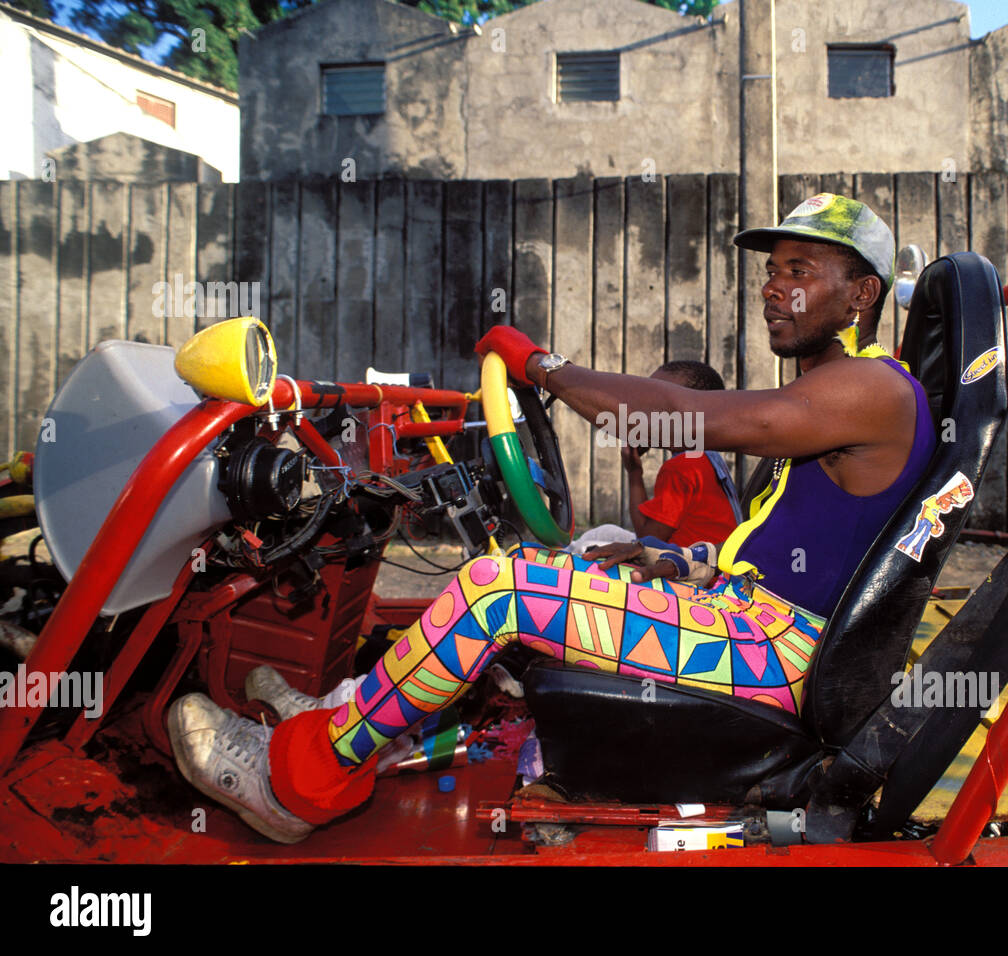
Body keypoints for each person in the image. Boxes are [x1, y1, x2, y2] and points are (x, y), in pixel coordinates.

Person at [167, 193, 939, 843]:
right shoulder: (835, 394)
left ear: (862, 295)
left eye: (799, 271)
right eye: (772, 271)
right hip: (750, 620)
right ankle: (348, 715)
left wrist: (543, 366)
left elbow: (686, 417)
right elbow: (810, 547)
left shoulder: (872, 388)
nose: (774, 288)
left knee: (494, 590)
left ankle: (297, 786)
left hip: (772, 655)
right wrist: (677, 563)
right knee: (565, 565)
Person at [567, 359, 742, 555]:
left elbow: (647, 539)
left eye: (658, 404)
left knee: (582, 550)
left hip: (687, 574)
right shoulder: (708, 456)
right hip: (711, 563)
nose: (644, 411)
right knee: (605, 532)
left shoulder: (683, 467)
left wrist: (634, 473)